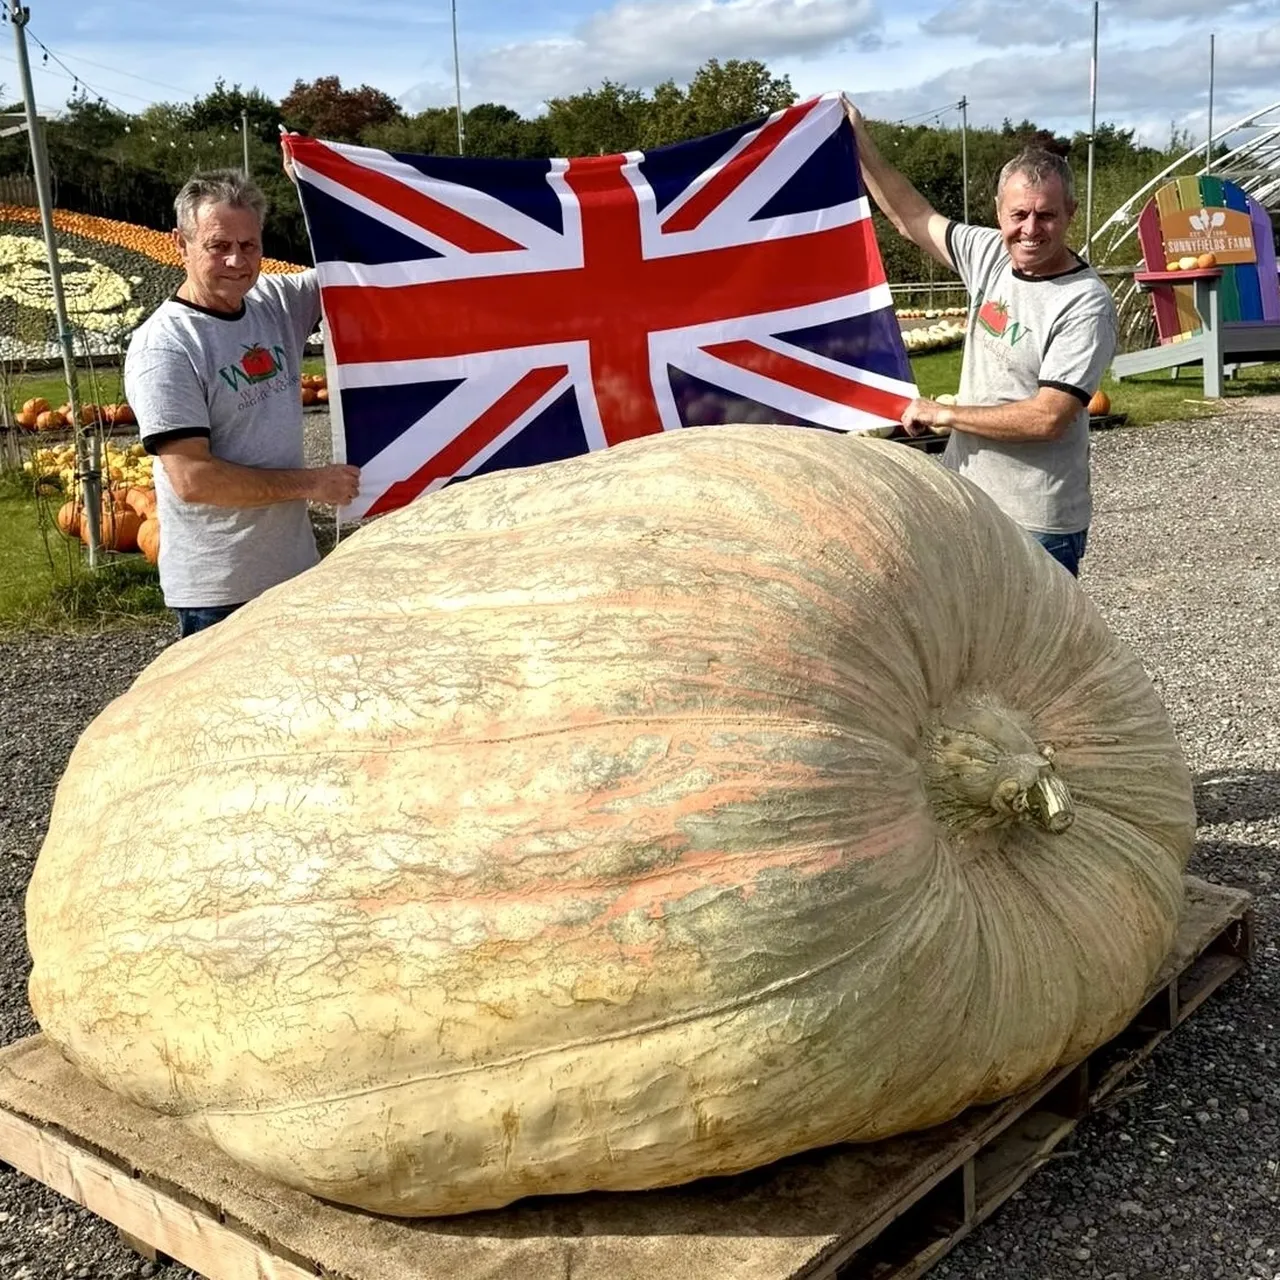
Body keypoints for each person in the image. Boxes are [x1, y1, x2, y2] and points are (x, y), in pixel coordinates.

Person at [842, 98, 1117, 577]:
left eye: (1047, 215)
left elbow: (1048, 419)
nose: (1030, 229)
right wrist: (858, 141)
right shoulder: (989, 252)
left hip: (1037, 521)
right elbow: (912, 218)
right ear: (998, 211)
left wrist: (943, 413)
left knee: (1028, 653)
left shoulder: (1083, 302)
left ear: (1070, 212)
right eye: (1019, 215)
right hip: (967, 499)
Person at [124, 169, 360, 638]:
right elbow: (193, 479)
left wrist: (319, 184)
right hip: (221, 593)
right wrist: (313, 483)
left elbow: (353, 267)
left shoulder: (274, 301)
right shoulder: (166, 346)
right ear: (181, 243)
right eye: (218, 245)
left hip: (295, 572)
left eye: (249, 245)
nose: (237, 260)